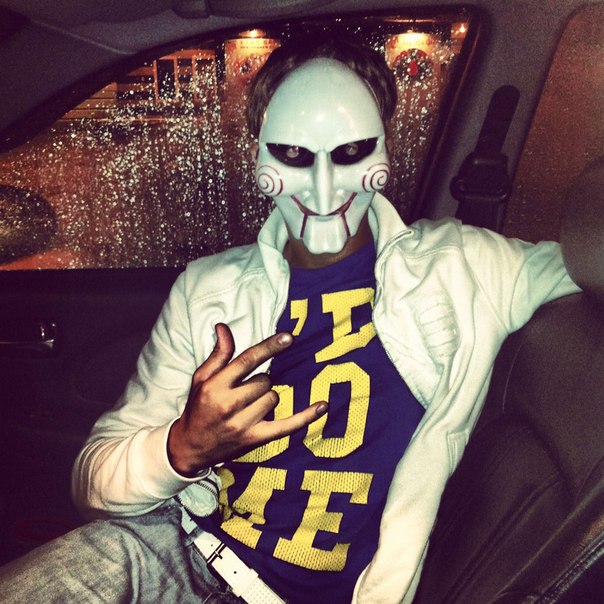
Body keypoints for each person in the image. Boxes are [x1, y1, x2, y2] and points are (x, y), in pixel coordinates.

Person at [0, 36, 579, 604]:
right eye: (295, 156)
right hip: (176, 552)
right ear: (258, 151)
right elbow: (93, 483)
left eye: (351, 152)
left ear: (385, 144)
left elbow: (589, 261)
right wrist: (184, 447)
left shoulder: (466, 265)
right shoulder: (207, 289)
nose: (324, 192)